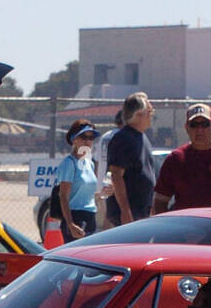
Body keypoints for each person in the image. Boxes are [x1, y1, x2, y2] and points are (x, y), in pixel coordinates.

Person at [105, 93, 156, 227]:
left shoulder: (142, 137)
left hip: (141, 213)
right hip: (128, 216)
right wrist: (125, 211)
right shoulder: (123, 138)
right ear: (138, 114)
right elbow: (116, 175)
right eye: (149, 111)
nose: (152, 115)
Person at [53, 120, 99, 241]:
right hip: (75, 217)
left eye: (91, 137)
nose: (87, 141)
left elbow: (88, 193)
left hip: (91, 217)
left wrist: (105, 191)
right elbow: (63, 196)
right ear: (74, 139)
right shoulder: (69, 163)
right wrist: (70, 224)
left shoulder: (90, 163)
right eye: (83, 137)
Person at [93, 110, 123, 230]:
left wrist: (97, 182)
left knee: (107, 217)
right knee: (114, 219)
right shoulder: (123, 136)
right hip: (114, 183)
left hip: (102, 181)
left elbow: (97, 161)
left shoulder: (105, 136)